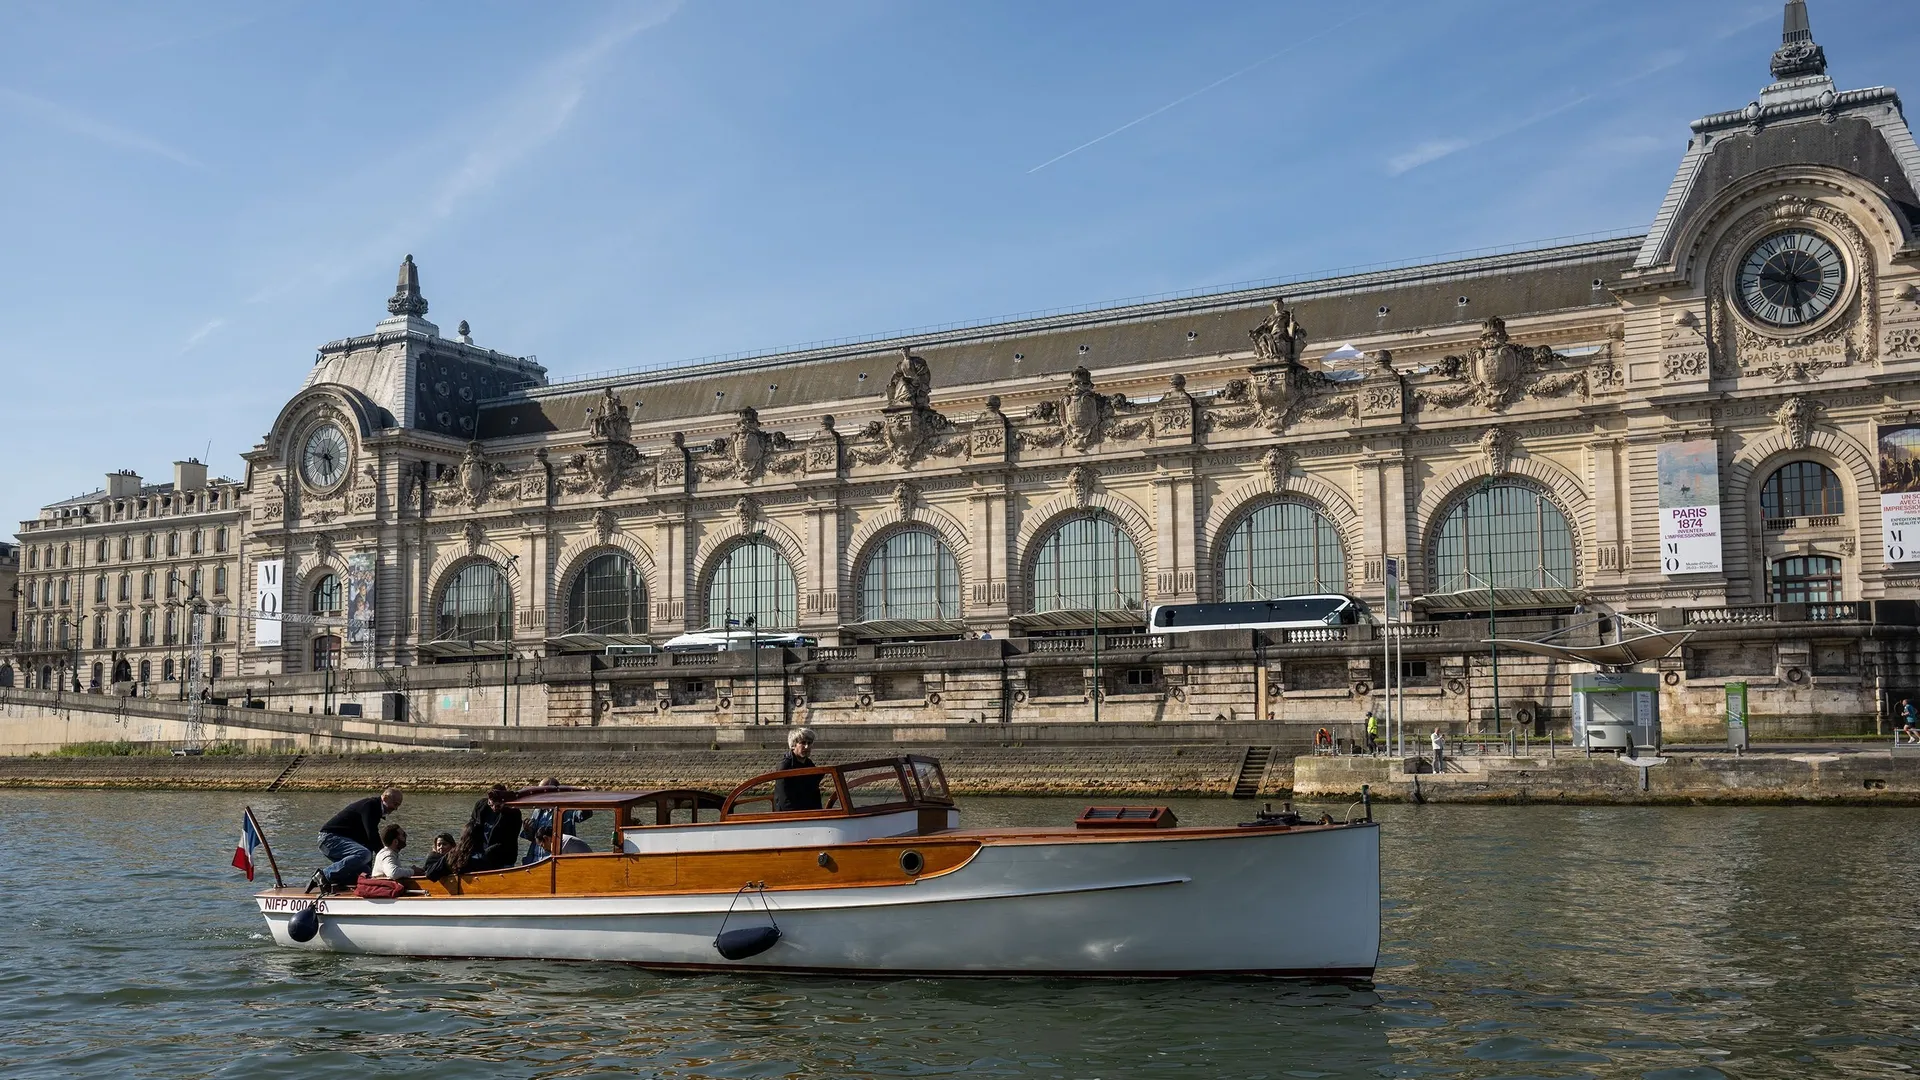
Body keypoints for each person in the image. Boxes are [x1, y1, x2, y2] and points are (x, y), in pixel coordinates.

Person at [311, 786, 402, 892]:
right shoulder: (370, 805)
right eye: (395, 804)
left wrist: (371, 873)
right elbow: (372, 835)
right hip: (329, 839)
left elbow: (368, 842)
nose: (395, 808)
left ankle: (334, 885)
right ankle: (323, 875)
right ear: (385, 798)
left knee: (365, 874)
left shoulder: (375, 811)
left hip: (339, 841)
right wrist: (385, 855)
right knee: (364, 854)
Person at [522, 777, 594, 864]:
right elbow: (536, 838)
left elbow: (583, 815)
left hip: (554, 860)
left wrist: (584, 796)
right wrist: (527, 830)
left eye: (541, 791)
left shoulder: (565, 810)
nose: (539, 794)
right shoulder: (538, 811)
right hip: (535, 860)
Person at [465, 785, 523, 872]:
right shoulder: (481, 805)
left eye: (498, 806)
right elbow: (472, 826)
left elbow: (508, 840)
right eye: (491, 805)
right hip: (480, 853)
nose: (494, 808)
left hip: (503, 859)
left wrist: (484, 856)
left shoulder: (513, 813)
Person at [773, 727, 822, 812]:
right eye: (803, 743)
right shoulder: (785, 766)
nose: (807, 747)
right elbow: (784, 798)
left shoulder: (809, 764)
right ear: (793, 746)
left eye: (809, 743)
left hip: (809, 814)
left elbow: (815, 792)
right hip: (789, 817)